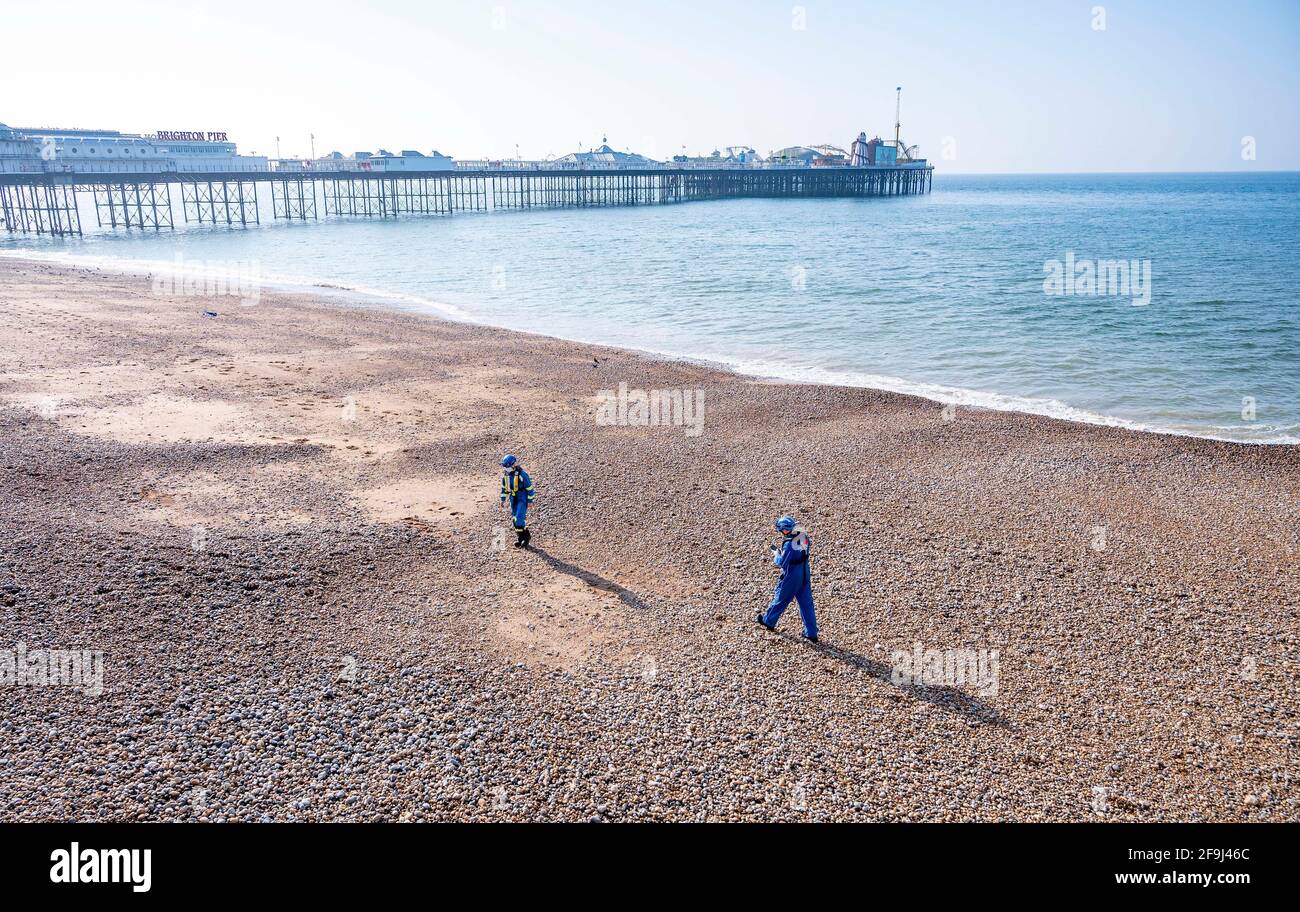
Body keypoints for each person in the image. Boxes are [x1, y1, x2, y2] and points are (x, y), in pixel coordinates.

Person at [757, 515, 818, 642]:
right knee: (806, 603)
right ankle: (811, 632)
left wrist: (776, 553)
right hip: (805, 571)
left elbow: (782, 562)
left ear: (784, 529)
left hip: (793, 574)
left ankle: (768, 621)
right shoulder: (803, 534)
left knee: (781, 598)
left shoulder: (789, 544)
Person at [499, 454, 535, 548]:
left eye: (507, 466)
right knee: (515, 520)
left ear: (513, 465)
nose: (505, 468)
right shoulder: (506, 476)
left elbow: (529, 488)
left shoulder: (522, 474)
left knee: (519, 518)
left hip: (522, 498)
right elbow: (504, 488)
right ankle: (520, 538)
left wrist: (530, 500)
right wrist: (503, 499)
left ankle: (526, 537)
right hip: (513, 498)